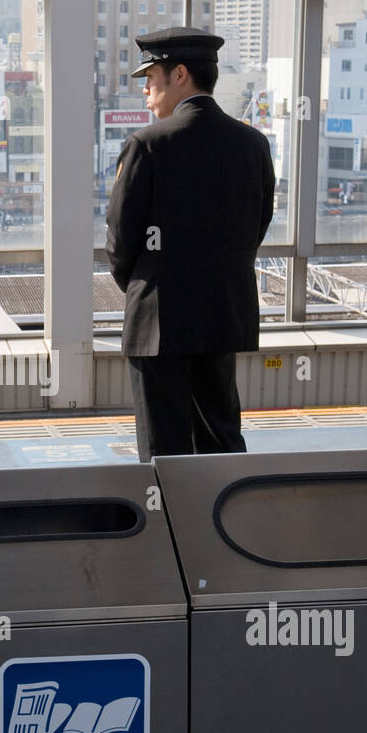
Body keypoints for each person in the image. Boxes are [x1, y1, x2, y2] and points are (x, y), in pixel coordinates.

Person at [106, 27, 275, 460]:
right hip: (222, 312)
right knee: (221, 438)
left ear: (179, 74)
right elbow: (258, 224)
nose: (146, 89)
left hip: (159, 319)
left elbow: (121, 239)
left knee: (164, 447)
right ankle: (224, 523)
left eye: (151, 77)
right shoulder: (253, 144)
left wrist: (146, 283)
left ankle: (170, 528)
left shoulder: (147, 145)